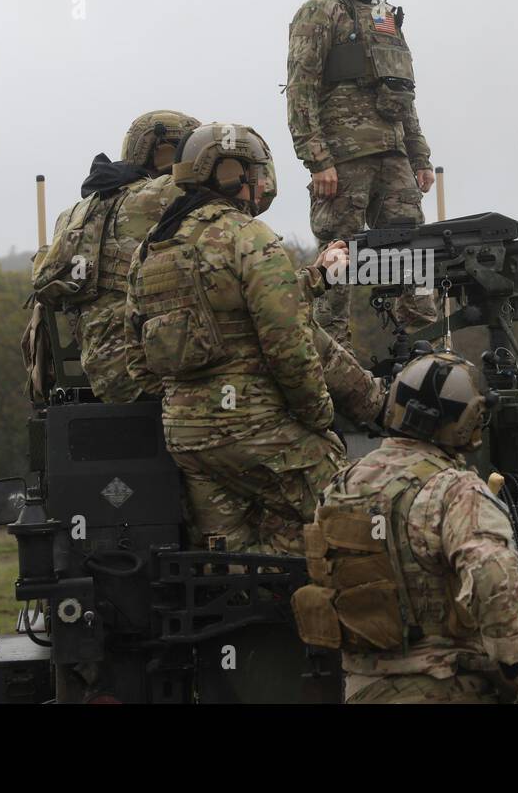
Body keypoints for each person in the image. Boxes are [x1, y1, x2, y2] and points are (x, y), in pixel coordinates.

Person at [125, 122, 358, 555]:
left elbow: (137, 358)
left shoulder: (150, 249)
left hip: (188, 440)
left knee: (230, 564)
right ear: (232, 173)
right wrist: (320, 417)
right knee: (354, 516)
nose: (264, 183)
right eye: (257, 173)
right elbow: (288, 343)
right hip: (253, 429)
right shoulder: (247, 237)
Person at [292, 350, 518, 703]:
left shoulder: (342, 484)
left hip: (364, 690)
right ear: (469, 421)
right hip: (446, 687)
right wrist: (517, 669)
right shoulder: (457, 491)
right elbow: (494, 578)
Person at [286, 0, 438, 349]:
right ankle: (329, 359)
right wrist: (317, 160)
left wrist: (419, 156)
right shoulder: (320, 12)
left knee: (414, 254)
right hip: (343, 161)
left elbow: (401, 90)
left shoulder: (384, 15)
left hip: (393, 158)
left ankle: (419, 349)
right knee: (339, 261)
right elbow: (301, 91)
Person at [32, 109, 200, 402]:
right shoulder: (161, 195)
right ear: (165, 153)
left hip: (100, 373)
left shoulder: (71, 214)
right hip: (151, 377)